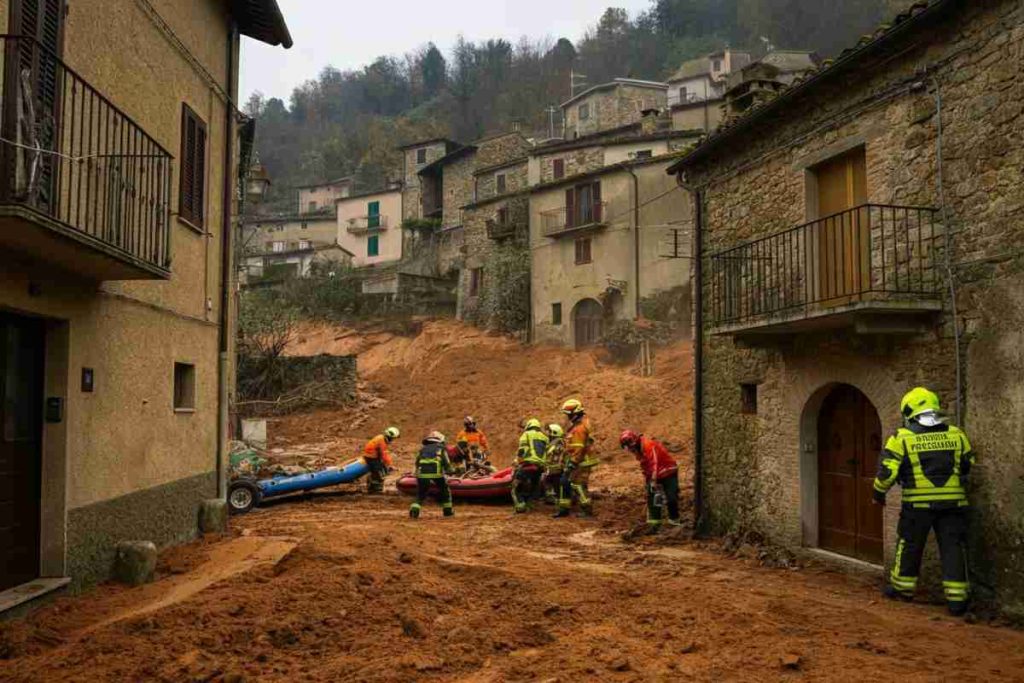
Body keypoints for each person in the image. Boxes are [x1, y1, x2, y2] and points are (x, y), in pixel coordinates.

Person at [873, 387, 975, 616]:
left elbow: (887, 472)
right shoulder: (956, 434)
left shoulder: (902, 437)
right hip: (953, 505)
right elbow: (969, 464)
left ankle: (902, 590)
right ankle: (958, 600)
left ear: (909, 412)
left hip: (917, 507)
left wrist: (878, 493)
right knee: (953, 548)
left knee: (909, 545)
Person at [620, 430, 680, 532]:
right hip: (655, 475)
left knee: (671, 498)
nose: (631, 450)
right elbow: (646, 466)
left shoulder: (648, 445)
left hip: (668, 472)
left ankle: (674, 521)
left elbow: (654, 463)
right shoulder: (639, 451)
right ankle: (654, 524)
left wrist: (653, 480)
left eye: (631, 448)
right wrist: (649, 481)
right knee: (653, 498)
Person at [555, 399, 598, 518]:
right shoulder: (578, 426)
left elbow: (578, 449)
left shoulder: (579, 428)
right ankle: (564, 509)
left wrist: (572, 463)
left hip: (581, 462)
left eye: (568, 414)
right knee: (565, 482)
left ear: (574, 414)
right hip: (577, 461)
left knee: (578, 485)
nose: (567, 417)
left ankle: (587, 510)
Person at [410, 431, 454, 519]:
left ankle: (414, 510)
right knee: (445, 491)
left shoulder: (422, 449)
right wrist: (451, 471)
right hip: (437, 474)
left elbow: (417, 463)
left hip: (422, 475)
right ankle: (447, 511)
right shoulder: (441, 449)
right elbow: (446, 463)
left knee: (420, 493)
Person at [512, 418, 549, 513]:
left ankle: (520, 506)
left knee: (516, 486)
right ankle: (531, 505)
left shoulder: (526, 434)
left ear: (529, 426)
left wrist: (518, 462)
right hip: (540, 466)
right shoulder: (545, 437)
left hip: (528, 464)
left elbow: (522, 450)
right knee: (534, 485)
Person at [363, 426, 400, 494]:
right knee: (379, 473)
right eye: (393, 438)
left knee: (379, 470)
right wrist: (389, 465)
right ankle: (375, 490)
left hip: (371, 456)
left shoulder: (380, 437)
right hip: (371, 457)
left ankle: (372, 486)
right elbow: (384, 454)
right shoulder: (382, 441)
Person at [542, 424, 566, 504]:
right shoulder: (553, 443)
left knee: (556, 485)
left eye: (549, 431)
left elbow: (558, 457)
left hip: (557, 470)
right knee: (548, 481)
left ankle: (558, 500)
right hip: (553, 470)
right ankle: (552, 498)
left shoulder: (559, 443)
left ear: (554, 432)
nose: (547, 433)